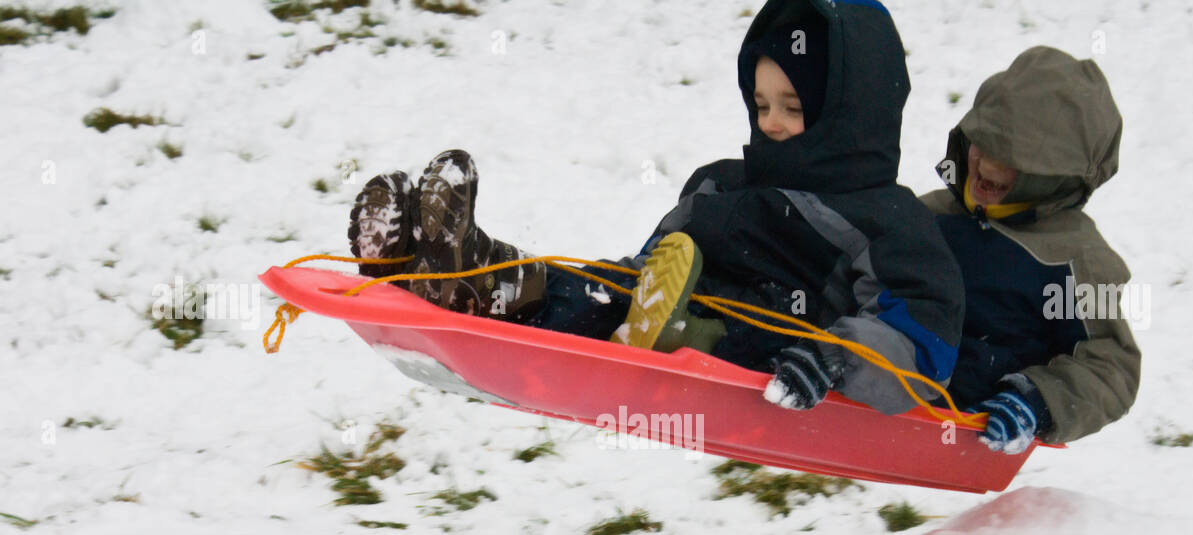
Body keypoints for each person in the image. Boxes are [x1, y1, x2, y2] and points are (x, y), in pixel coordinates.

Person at [348, 0, 965, 414]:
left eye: (794, 107)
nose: (771, 122)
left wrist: (835, 359)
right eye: (761, 103)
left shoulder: (887, 220)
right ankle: (459, 267)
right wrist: (629, 282)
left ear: (848, 113)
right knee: (601, 288)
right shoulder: (722, 184)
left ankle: (673, 332)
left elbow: (924, 338)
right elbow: (656, 262)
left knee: (747, 317)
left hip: (772, 350)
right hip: (656, 304)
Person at [919, 46, 1141, 452]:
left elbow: (1111, 365)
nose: (985, 166)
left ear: (1058, 176)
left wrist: (1036, 401)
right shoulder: (930, 215)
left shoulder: (1075, 257)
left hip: (978, 430)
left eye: (1011, 160)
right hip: (881, 390)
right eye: (981, 144)